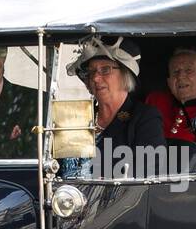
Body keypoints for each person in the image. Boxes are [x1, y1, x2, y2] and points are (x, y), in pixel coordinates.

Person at [68, 36, 165, 177]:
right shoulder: (79, 119)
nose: (95, 78)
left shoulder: (144, 118)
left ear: (125, 76)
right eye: (91, 71)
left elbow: (149, 176)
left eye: (105, 70)